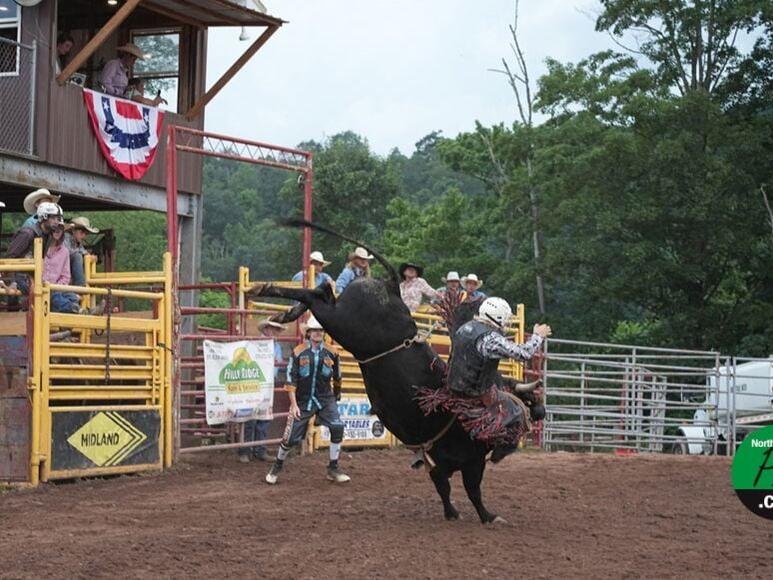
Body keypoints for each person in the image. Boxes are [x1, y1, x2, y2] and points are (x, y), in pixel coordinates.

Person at [447, 297, 551, 462]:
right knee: (517, 413)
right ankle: (495, 451)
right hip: (475, 392)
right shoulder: (490, 338)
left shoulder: (464, 328)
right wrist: (537, 336)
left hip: (452, 387)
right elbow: (523, 354)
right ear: (499, 317)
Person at [265, 316, 350, 484]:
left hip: (325, 398)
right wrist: (294, 405)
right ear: (308, 333)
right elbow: (291, 379)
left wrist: (336, 397)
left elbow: (338, 377)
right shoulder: (298, 352)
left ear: (324, 333)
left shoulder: (332, 352)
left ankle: (333, 467)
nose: (318, 333)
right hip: (302, 401)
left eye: (320, 330)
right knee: (290, 439)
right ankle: (277, 465)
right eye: (315, 330)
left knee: (337, 426)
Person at [239, 319, 285, 464]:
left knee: (263, 418)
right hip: (255, 384)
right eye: (273, 329)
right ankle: (247, 450)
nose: (275, 332)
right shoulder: (257, 343)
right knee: (251, 419)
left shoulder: (276, 346)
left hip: (267, 385)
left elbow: (279, 364)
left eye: (277, 329)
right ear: (265, 329)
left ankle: (259, 450)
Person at [44, 223, 81, 314]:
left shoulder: (64, 251)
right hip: (41, 287)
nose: (57, 231)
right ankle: (80, 311)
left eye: (60, 229)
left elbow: (65, 276)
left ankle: (66, 326)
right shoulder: (39, 246)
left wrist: (56, 287)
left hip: (56, 288)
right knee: (56, 297)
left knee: (72, 297)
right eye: (55, 228)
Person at [64, 217, 99, 287]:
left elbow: (83, 251)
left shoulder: (77, 243)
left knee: (80, 257)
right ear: (73, 230)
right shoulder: (65, 237)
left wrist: (89, 256)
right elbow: (66, 252)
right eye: (82, 232)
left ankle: (84, 284)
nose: (84, 236)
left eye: (86, 234)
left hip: (66, 271)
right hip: (59, 269)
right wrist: (84, 254)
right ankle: (79, 285)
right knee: (77, 256)